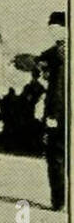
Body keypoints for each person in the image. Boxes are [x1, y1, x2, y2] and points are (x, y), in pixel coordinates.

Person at [37, 11, 65, 211]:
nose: (51, 32)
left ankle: (59, 200)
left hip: (60, 112)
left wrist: (53, 114)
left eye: (54, 28)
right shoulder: (57, 51)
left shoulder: (60, 53)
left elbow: (58, 89)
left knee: (55, 156)